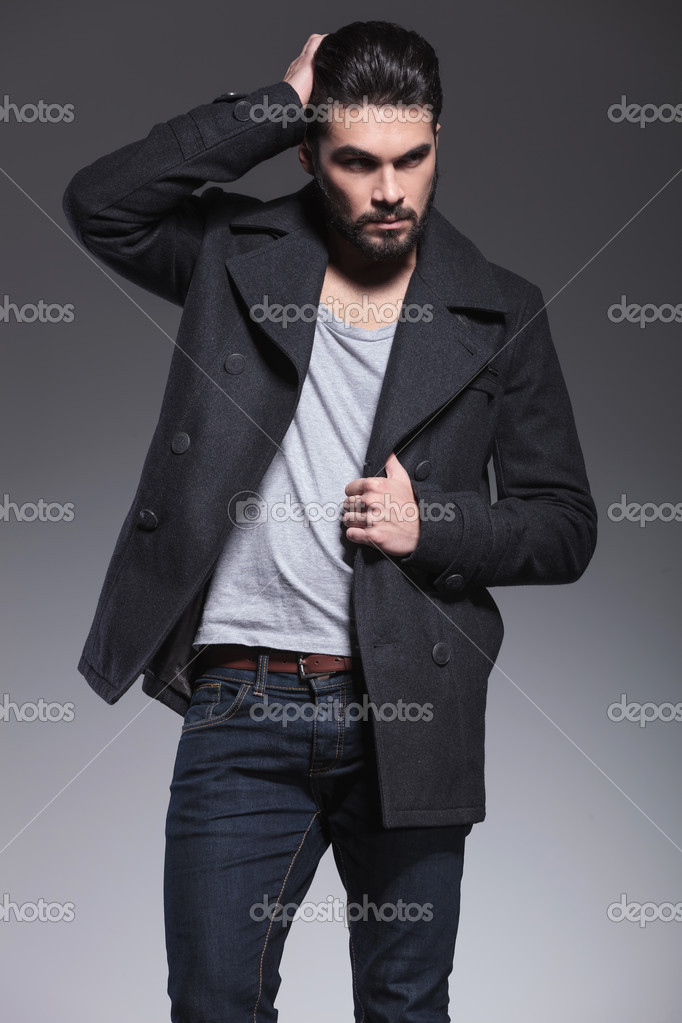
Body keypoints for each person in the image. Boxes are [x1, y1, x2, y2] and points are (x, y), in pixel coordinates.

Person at [62, 20, 598, 1022]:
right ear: (310, 157)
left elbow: (565, 526)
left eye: (412, 157)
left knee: (403, 1004)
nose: (389, 189)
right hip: (242, 700)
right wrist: (271, 103)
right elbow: (102, 204)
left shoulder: (500, 310)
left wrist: (429, 524)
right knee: (214, 1002)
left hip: (409, 708)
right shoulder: (237, 259)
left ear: (438, 143)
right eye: (356, 161)